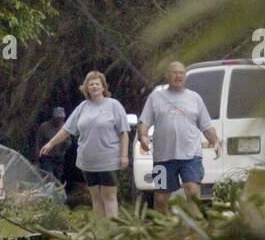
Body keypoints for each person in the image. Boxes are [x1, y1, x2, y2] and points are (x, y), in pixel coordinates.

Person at [40, 71, 128, 218]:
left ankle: (112, 231)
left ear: (103, 87)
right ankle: (99, 231)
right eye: (91, 84)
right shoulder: (83, 107)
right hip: (88, 161)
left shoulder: (114, 105)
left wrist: (124, 156)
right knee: (96, 197)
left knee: (108, 196)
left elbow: (124, 133)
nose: (94, 86)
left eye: (97, 84)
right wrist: (51, 143)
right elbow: (67, 129)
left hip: (108, 159)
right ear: (86, 88)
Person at [138, 60, 221, 214]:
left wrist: (215, 141)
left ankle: (193, 230)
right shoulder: (155, 97)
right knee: (161, 198)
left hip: (191, 155)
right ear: (167, 76)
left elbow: (206, 125)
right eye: (174, 72)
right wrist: (142, 136)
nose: (178, 76)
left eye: (181, 73)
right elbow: (144, 122)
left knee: (193, 192)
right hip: (162, 157)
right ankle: (164, 228)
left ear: (185, 76)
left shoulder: (194, 98)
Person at [35, 106, 68, 181]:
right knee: (49, 177)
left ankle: (55, 192)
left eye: (61, 118)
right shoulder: (44, 127)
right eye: (58, 118)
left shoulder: (65, 127)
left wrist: (66, 144)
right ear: (53, 117)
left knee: (57, 178)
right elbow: (38, 142)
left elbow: (68, 142)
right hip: (47, 157)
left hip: (59, 157)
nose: (60, 120)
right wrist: (37, 157)